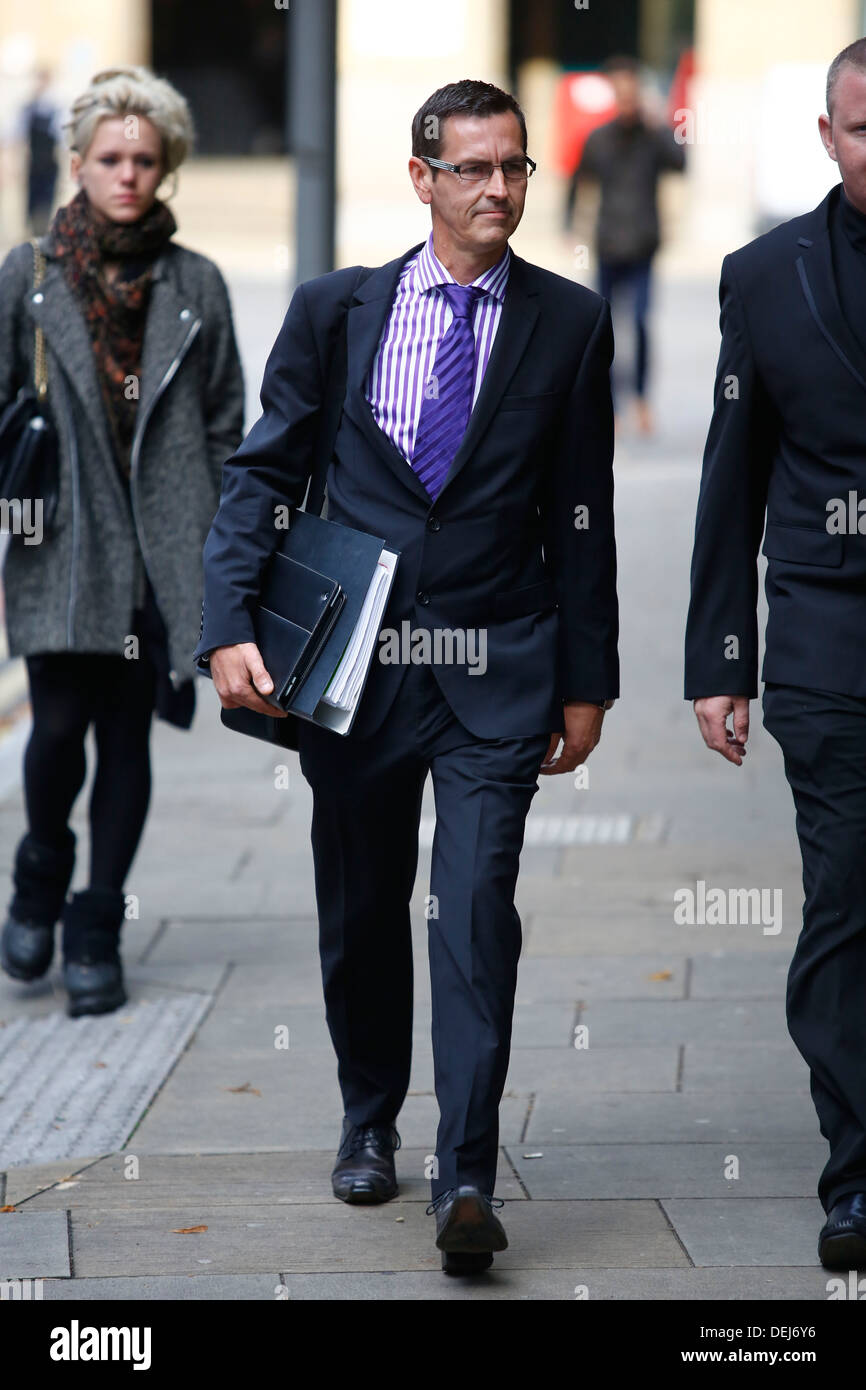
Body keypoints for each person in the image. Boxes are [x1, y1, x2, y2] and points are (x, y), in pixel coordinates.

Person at [194, 78, 619, 1274]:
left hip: (499, 665)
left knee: (476, 909)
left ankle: (469, 1171)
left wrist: (589, 682)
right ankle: (368, 1117)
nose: (499, 189)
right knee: (364, 907)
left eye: (515, 168)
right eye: (475, 168)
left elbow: (579, 518)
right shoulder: (336, 313)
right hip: (356, 673)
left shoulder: (569, 322)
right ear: (422, 178)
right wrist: (229, 624)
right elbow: (262, 476)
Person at [0, 66, 244, 1017]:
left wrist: (226, 544)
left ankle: (96, 926)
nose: (129, 174)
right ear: (77, 163)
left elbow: (229, 422)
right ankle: (38, 871)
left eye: (146, 159)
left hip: (164, 545)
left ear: (168, 166)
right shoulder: (27, 276)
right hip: (60, 538)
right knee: (57, 725)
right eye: (111, 158)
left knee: (125, 734)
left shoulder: (197, 283)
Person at [685, 38, 866, 1271]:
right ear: (826, 135)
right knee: (846, 908)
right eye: (865, 128)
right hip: (830, 645)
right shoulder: (762, 277)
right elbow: (730, 479)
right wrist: (720, 657)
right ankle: (855, 1177)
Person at [565, 54, 685, 435]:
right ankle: (610, 406)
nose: (628, 102)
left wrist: (658, 124)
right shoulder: (598, 139)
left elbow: (680, 162)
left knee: (641, 321)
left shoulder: (653, 138)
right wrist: (570, 225)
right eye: (623, 95)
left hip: (644, 244)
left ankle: (641, 399)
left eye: (634, 95)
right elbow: (578, 181)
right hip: (607, 244)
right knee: (605, 328)